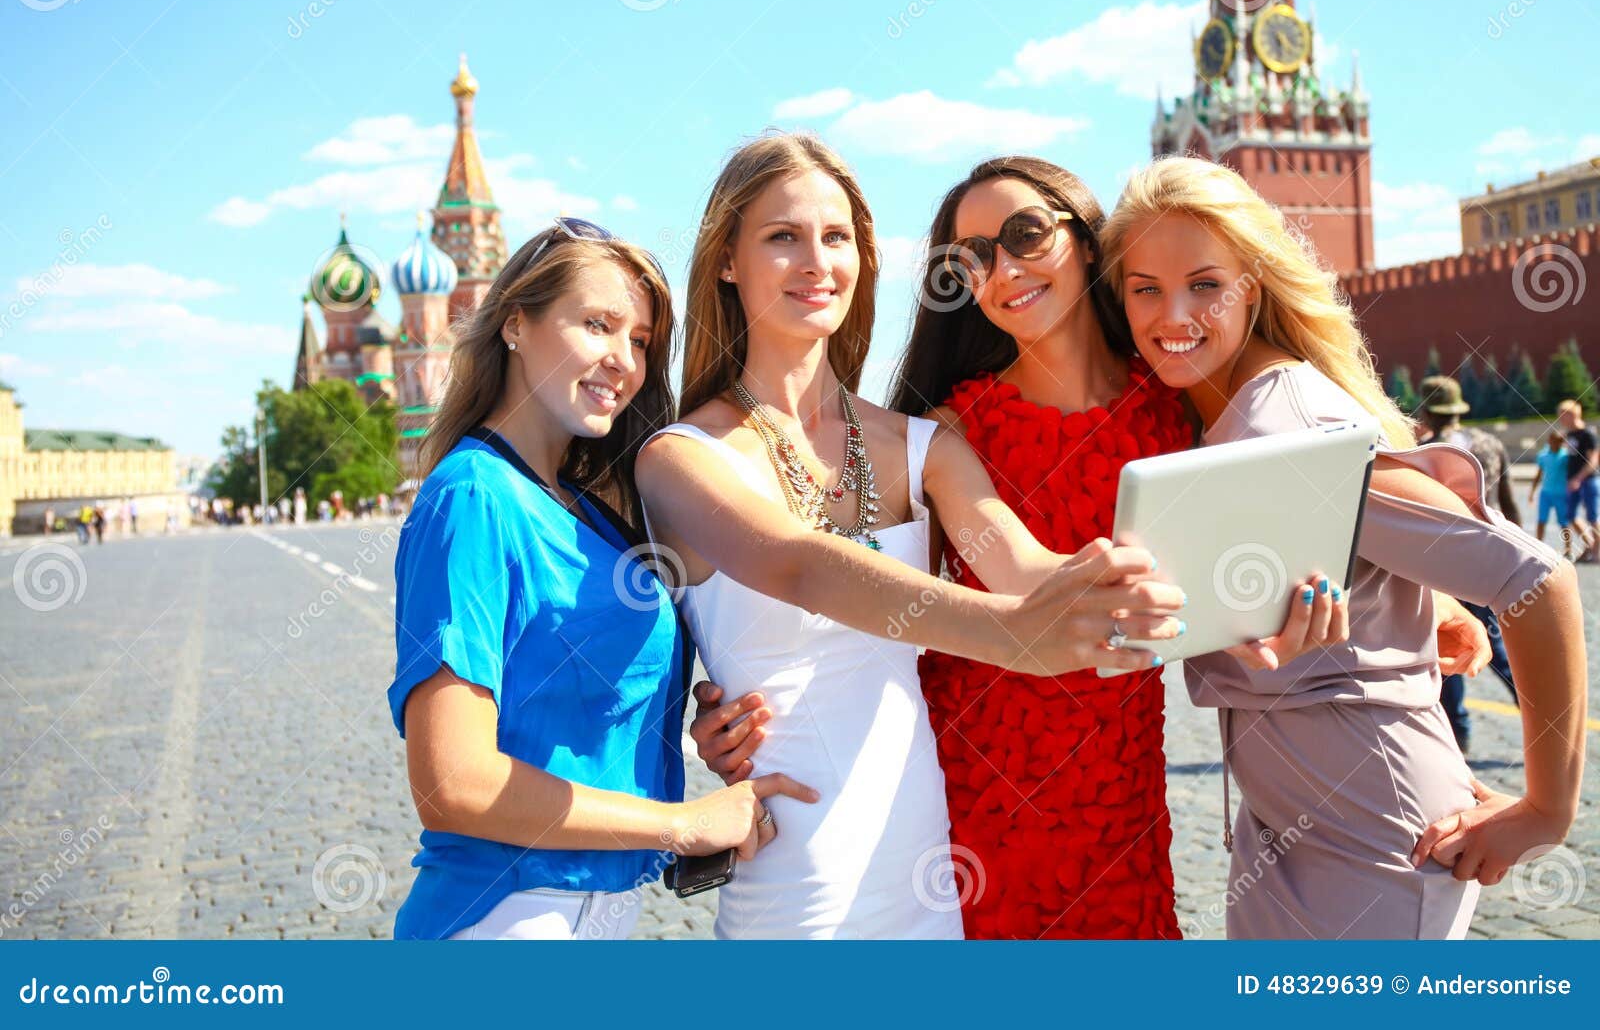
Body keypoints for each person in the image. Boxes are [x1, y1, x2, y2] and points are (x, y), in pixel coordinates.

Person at [640, 136, 1327, 940]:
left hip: (925, 847)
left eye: (836, 237)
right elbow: (798, 567)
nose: (816, 260)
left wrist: (1223, 605)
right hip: (792, 865)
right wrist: (706, 719)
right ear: (727, 259)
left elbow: (1027, 565)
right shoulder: (676, 456)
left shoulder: (922, 449)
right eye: (783, 235)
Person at [1101, 155, 1587, 939]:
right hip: (1288, 835)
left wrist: (1546, 809)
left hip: (1375, 844)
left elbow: (1539, 578)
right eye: (1145, 288)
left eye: (1205, 284)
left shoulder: (1286, 423)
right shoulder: (1229, 415)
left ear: (1251, 288)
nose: (1173, 313)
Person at [388, 218, 819, 942]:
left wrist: (697, 723)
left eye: (642, 340)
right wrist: (680, 822)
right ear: (516, 324)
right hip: (505, 917)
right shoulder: (474, 497)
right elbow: (452, 783)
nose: (624, 359)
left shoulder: (584, 502)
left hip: (596, 915)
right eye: (598, 324)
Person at [1414, 375, 1519, 756]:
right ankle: (1534, 709)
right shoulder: (1489, 445)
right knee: (1497, 644)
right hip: (1490, 560)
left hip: (1444, 566)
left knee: (1447, 643)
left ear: (1426, 409)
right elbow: (1507, 505)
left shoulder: (1424, 450)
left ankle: (1459, 735)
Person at [1556, 399, 1599, 562]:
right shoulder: (1569, 434)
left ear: (1571, 415)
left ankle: (1597, 551)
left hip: (1588, 480)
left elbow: (1593, 461)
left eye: (1562, 416)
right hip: (1571, 481)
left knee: (1593, 517)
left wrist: (1578, 479)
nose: (1560, 420)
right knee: (1571, 515)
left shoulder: (1588, 434)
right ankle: (1590, 543)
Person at [1531, 430, 1573, 550]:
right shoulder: (1543, 456)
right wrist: (1532, 492)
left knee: (1564, 523)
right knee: (1541, 520)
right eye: (1553, 441)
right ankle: (1538, 547)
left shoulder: (1566, 456)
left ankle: (1568, 548)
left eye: (1559, 442)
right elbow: (1539, 474)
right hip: (1546, 493)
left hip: (1561, 494)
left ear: (1562, 443)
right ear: (1549, 441)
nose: (1555, 444)